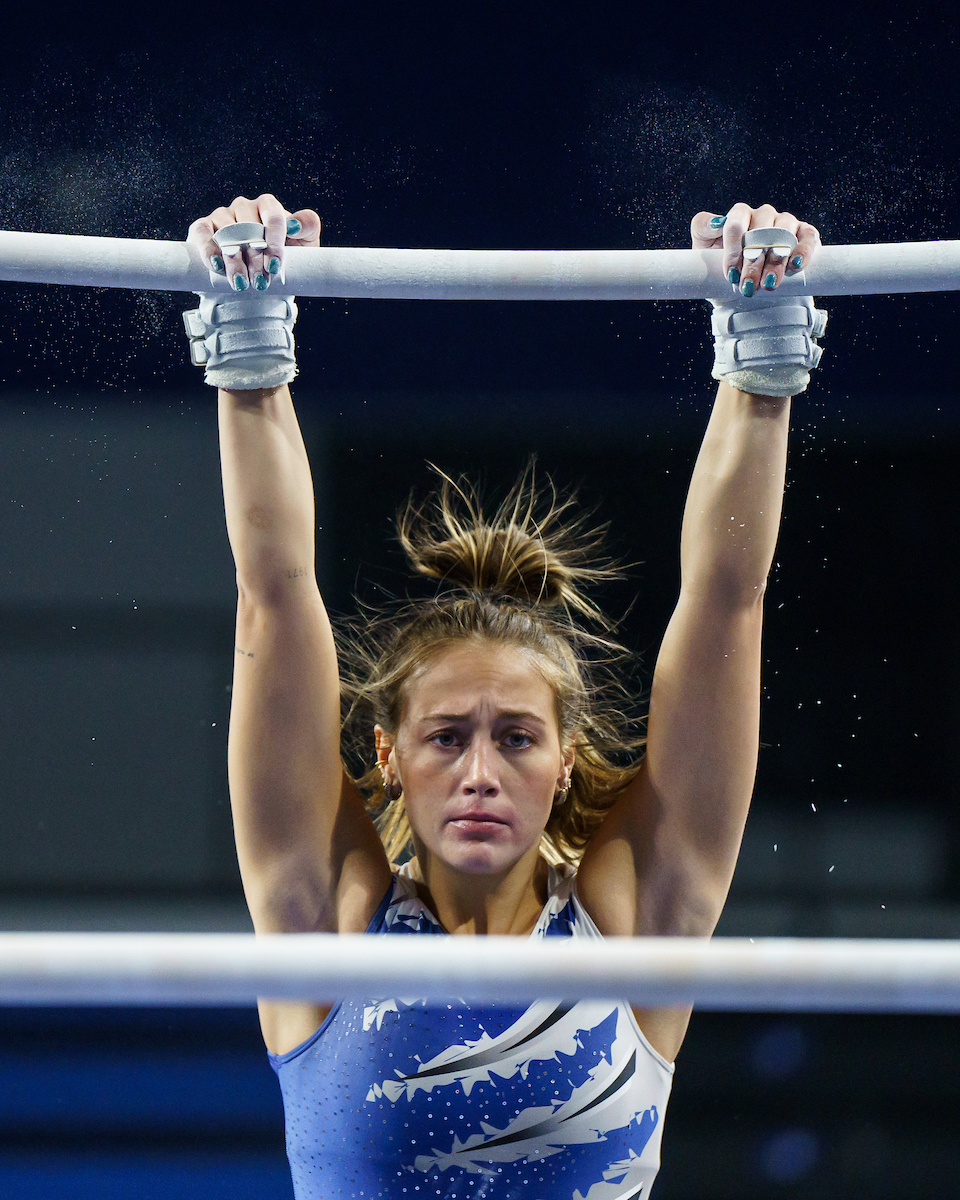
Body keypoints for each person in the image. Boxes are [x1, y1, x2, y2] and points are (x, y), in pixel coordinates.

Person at [183, 196, 825, 1198]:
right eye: (446, 736)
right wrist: (249, 351)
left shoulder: (635, 929)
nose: (480, 772)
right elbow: (271, 593)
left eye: (516, 737)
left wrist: (762, 365)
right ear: (387, 755)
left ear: (566, 758)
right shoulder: (326, 927)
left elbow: (727, 604)